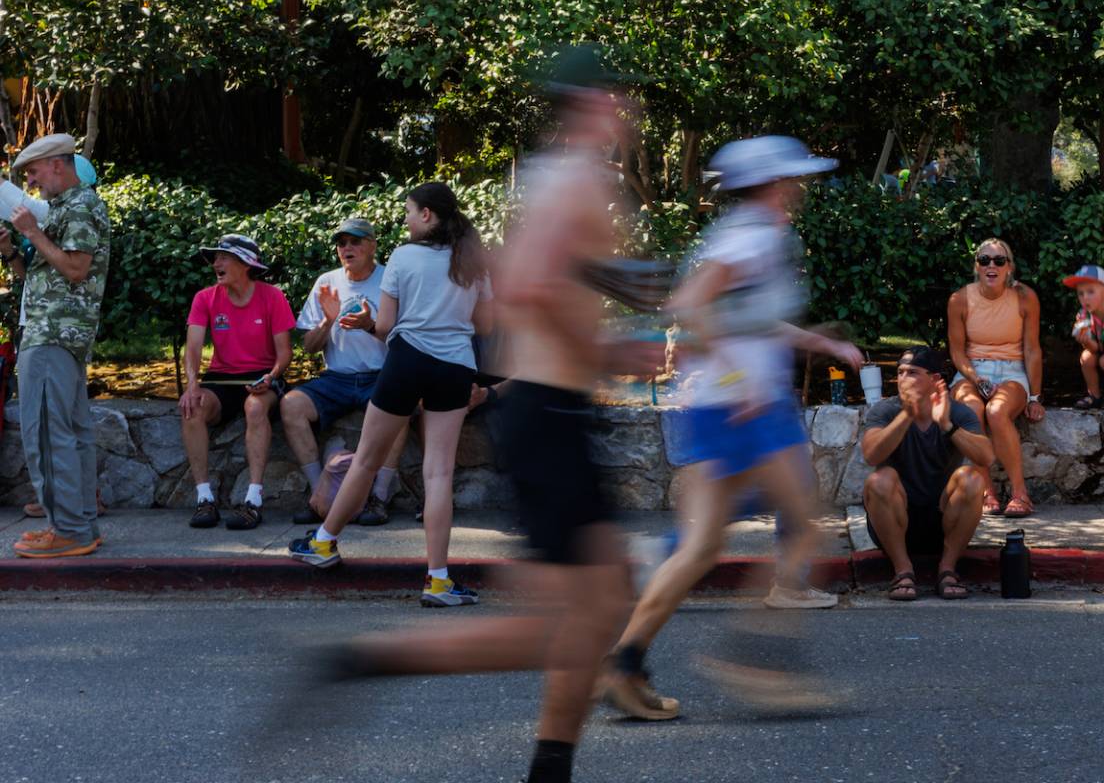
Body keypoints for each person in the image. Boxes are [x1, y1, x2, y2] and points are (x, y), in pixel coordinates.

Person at [299, 51, 666, 783]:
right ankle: (363, 658)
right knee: (573, 620)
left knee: (598, 605)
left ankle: (547, 765)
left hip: (547, 406)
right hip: (546, 408)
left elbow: (538, 281)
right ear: (592, 103)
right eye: (615, 96)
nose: (625, 108)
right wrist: (607, 348)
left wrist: (612, 300)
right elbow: (525, 289)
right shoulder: (573, 182)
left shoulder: (565, 181)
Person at [601, 135, 865, 720]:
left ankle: (624, 663)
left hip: (723, 404)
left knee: (700, 547)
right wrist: (742, 382)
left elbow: (747, 320)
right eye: (792, 179)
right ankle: (759, 666)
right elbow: (691, 306)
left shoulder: (745, 232)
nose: (799, 188)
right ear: (772, 185)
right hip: (747, 407)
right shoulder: (753, 236)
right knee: (805, 526)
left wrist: (818, 342)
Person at [289, 182, 493, 608]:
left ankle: (324, 543)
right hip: (455, 367)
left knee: (367, 458)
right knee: (439, 474)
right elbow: (486, 325)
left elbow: (384, 327)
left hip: (407, 361)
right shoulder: (474, 260)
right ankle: (438, 581)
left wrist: (368, 321)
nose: (406, 219)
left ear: (427, 215)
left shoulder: (403, 256)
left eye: (409, 211)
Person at [3, 133, 110, 559]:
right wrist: (14, 247)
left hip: (53, 335)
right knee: (72, 433)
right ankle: (80, 524)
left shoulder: (79, 205)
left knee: (48, 434)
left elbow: (76, 269)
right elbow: (43, 274)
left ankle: (69, 529)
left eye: (33, 172)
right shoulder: (68, 207)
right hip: (57, 334)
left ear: (57, 165)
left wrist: (31, 230)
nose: (30, 181)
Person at [282, 217, 407, 524]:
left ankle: (378, 498)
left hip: (380, 375)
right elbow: (309, 347)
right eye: (341, 243)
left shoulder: (391, 281)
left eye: (355, 241)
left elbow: (406, 342)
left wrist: (369, 326)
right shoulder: (327, 282)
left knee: (401, 403)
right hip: (336, 379)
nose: (347, 248)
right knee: (291, 405)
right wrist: (327, 321)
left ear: (372, 245)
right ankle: (320, 497)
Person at [178, 234, 295, 531]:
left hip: (263, 376)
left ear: (245, 264)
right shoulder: (204, 298)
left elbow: (285, 354)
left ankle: (253, 500)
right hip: (221, 378)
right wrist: (192, 385)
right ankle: (204, 498)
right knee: (192, 407)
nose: (216, 263)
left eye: (224, 258)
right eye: (215, 258)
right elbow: (193, 348)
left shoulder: (272, 296)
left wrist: (271, 377)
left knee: (255, 408)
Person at [861, 347, 992, 601]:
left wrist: (946, 425)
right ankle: (902, 571)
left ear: (935, 379)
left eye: (912, 372)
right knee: (879, 479)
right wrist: (907, 415)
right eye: (900, 372)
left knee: (971, 478)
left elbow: (986, 457)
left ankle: (948, 569)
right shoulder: (885, 411)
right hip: (893, 523)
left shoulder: (958, 412)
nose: (902, 378)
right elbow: (871, 456)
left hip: (945, 523)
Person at [946, 239, 1044, 516]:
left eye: (999, 260)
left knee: (997, 411)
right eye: (984, 260)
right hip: (972, 370)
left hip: (1012, 369)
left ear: (1009, 267)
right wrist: (976, 379)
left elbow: (1032, 349)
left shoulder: (1025, 296)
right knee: (972, 409)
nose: (992, 265)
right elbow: (957, 351)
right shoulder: (959, 299)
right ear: (976, 266)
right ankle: (987, 490)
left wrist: (1035, 396)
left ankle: (1020, 494)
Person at [1064, 265, 1104, 411]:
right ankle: (1094, 395)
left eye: (1090, 292)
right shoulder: (1083, 316)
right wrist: (1086, 341)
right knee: (1086, 357)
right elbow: (1095, 348)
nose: (1085, 298)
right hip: (1103, 350)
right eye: (1080, 293)